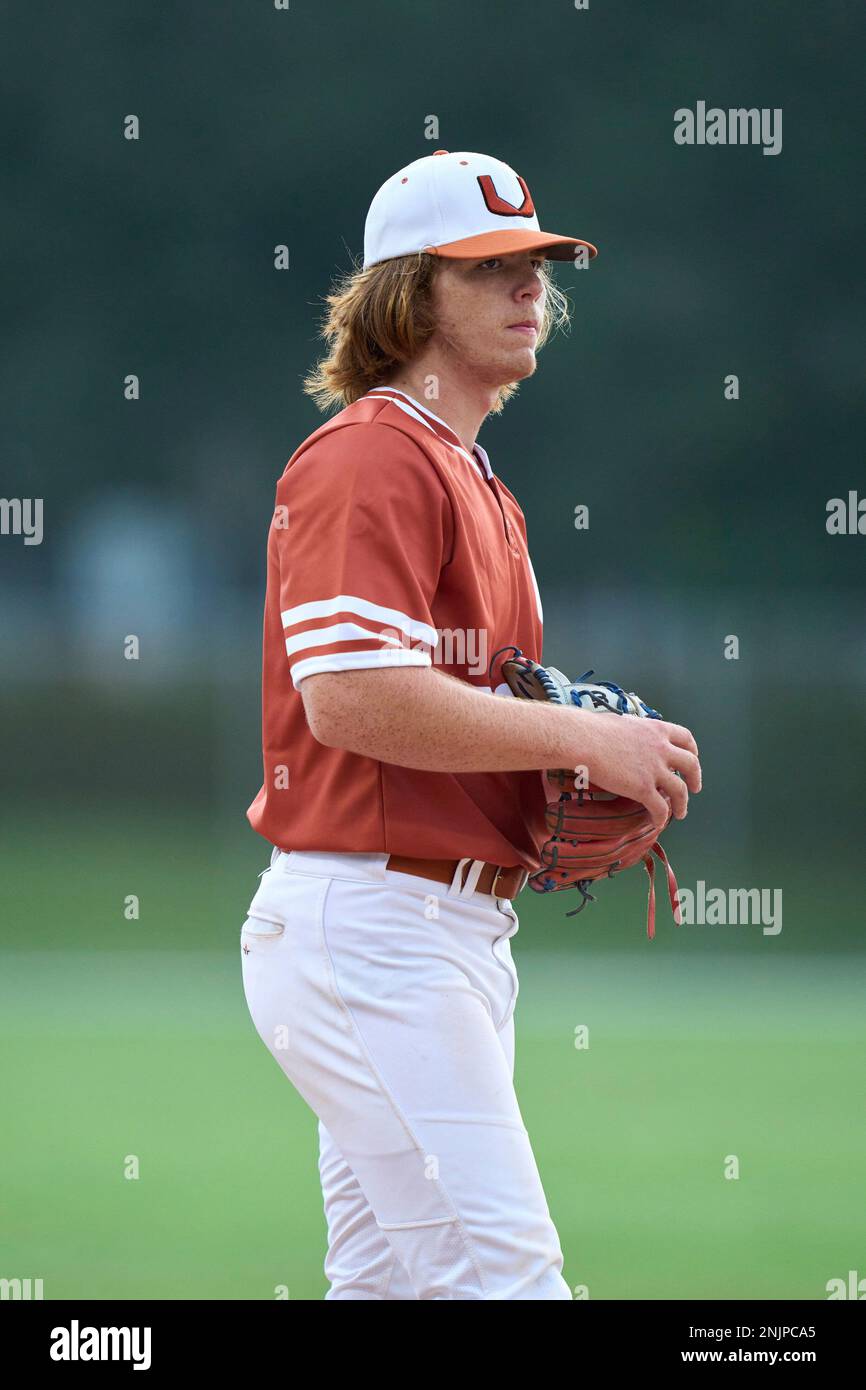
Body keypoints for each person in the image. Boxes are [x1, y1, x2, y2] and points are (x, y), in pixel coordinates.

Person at [240, 149, 702, 1300]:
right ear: (407, 293)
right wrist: (581, 741)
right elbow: (345, 694)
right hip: (373, 925)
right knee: (503, 1280)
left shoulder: (473, 476)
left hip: (437, 931)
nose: (528, 287)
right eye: (490, 266)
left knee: (392, 1287)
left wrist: (546, 755)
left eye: (538, 264)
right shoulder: (368, 456)